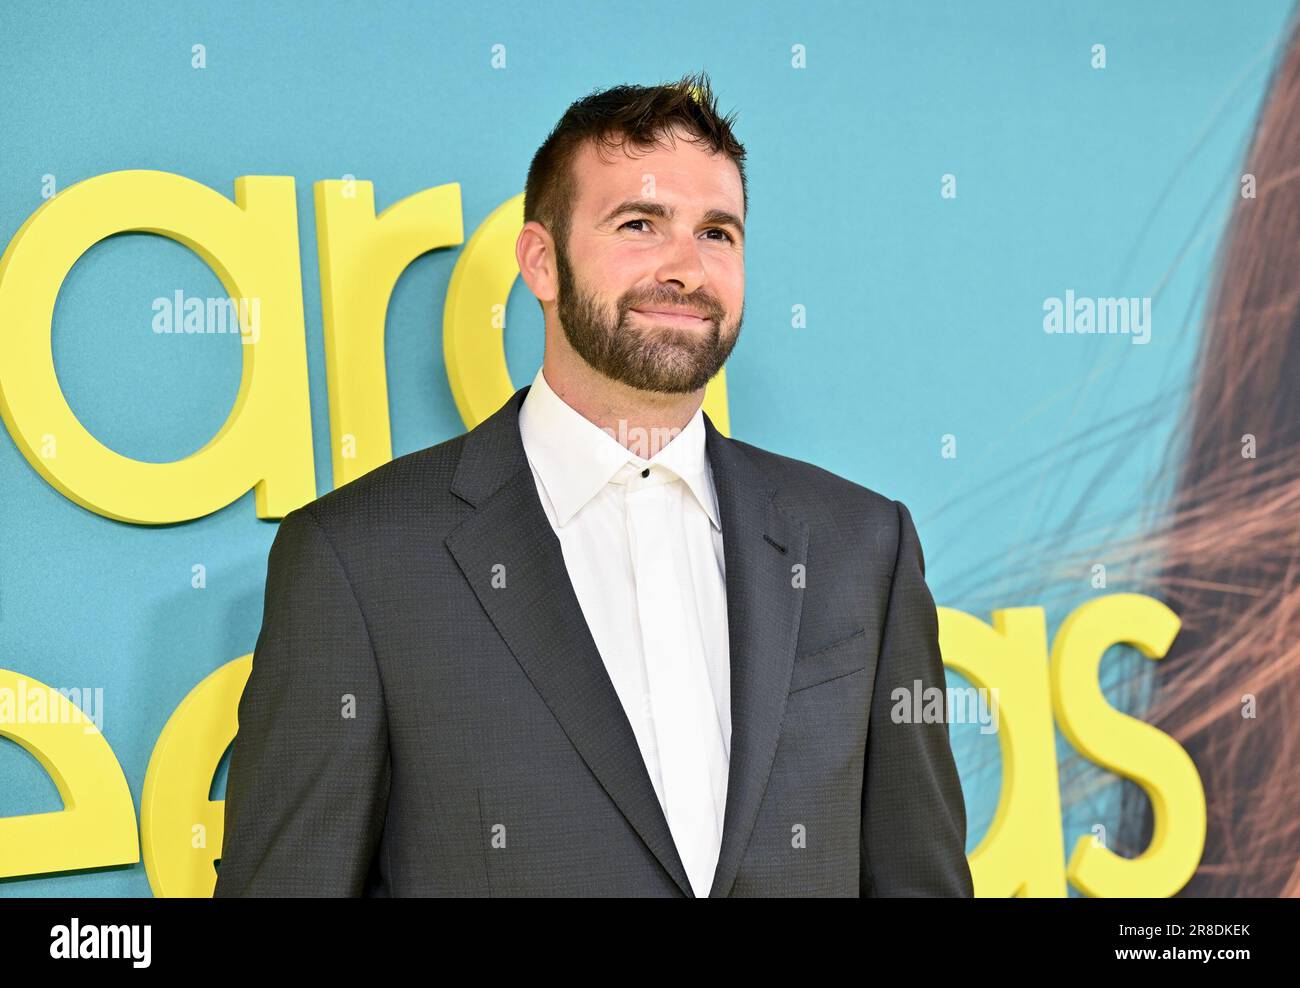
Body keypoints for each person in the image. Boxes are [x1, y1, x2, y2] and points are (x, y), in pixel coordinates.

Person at [213, 70, 972, 897]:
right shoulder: (359, 561)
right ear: (541, 262)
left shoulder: (862, 545)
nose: (686, 268)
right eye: (640, 224)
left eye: (718, 233)